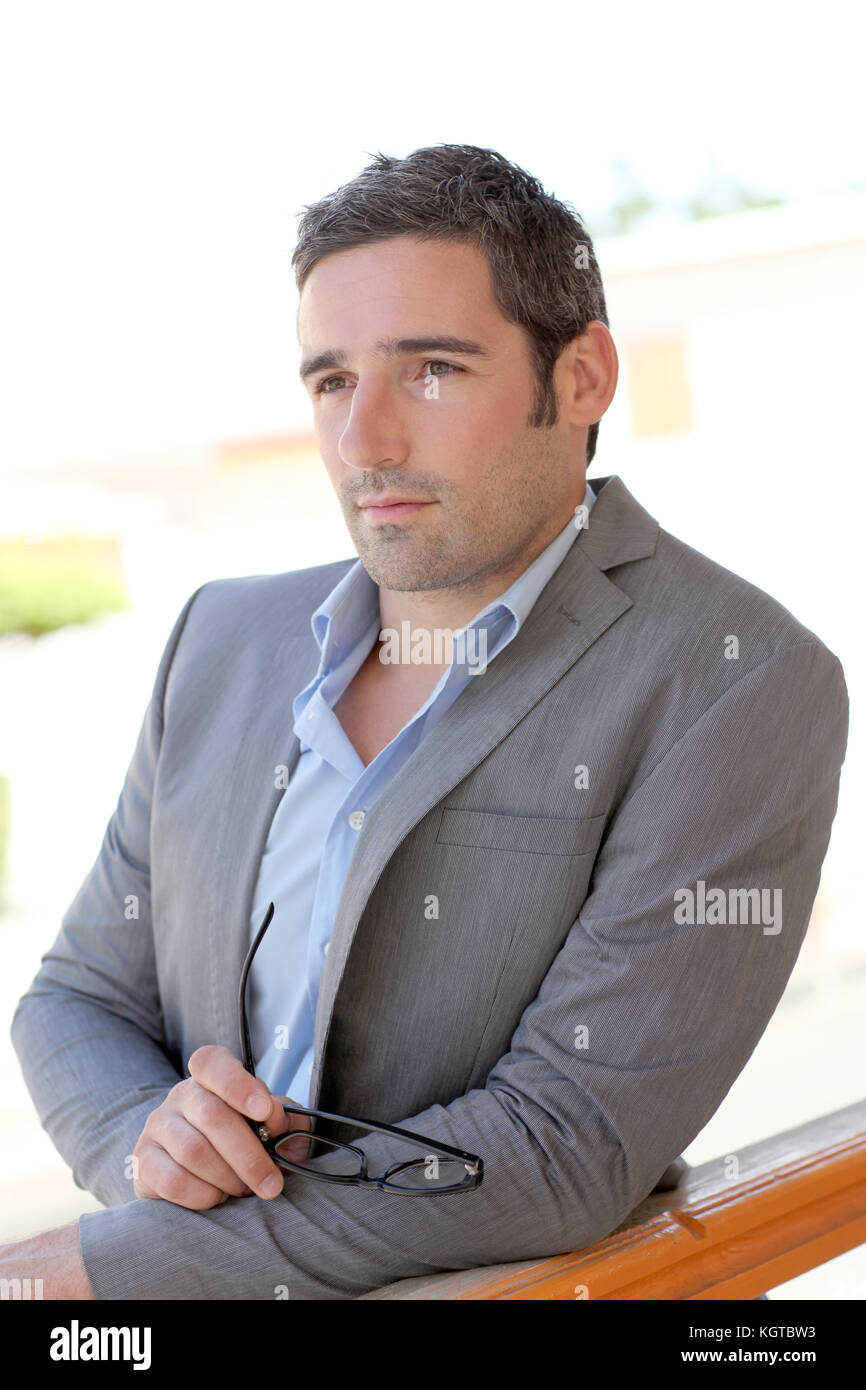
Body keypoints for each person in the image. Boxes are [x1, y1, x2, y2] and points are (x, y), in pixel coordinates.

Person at [5, 145, 848, 1300]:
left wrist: (118, 1271)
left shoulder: (736, 678)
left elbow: (567, 1143)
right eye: (330, 381)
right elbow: (78, 998)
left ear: (585, 376)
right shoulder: (219, 638)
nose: (365, 442)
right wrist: (149, 1143)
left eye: (433, 370)